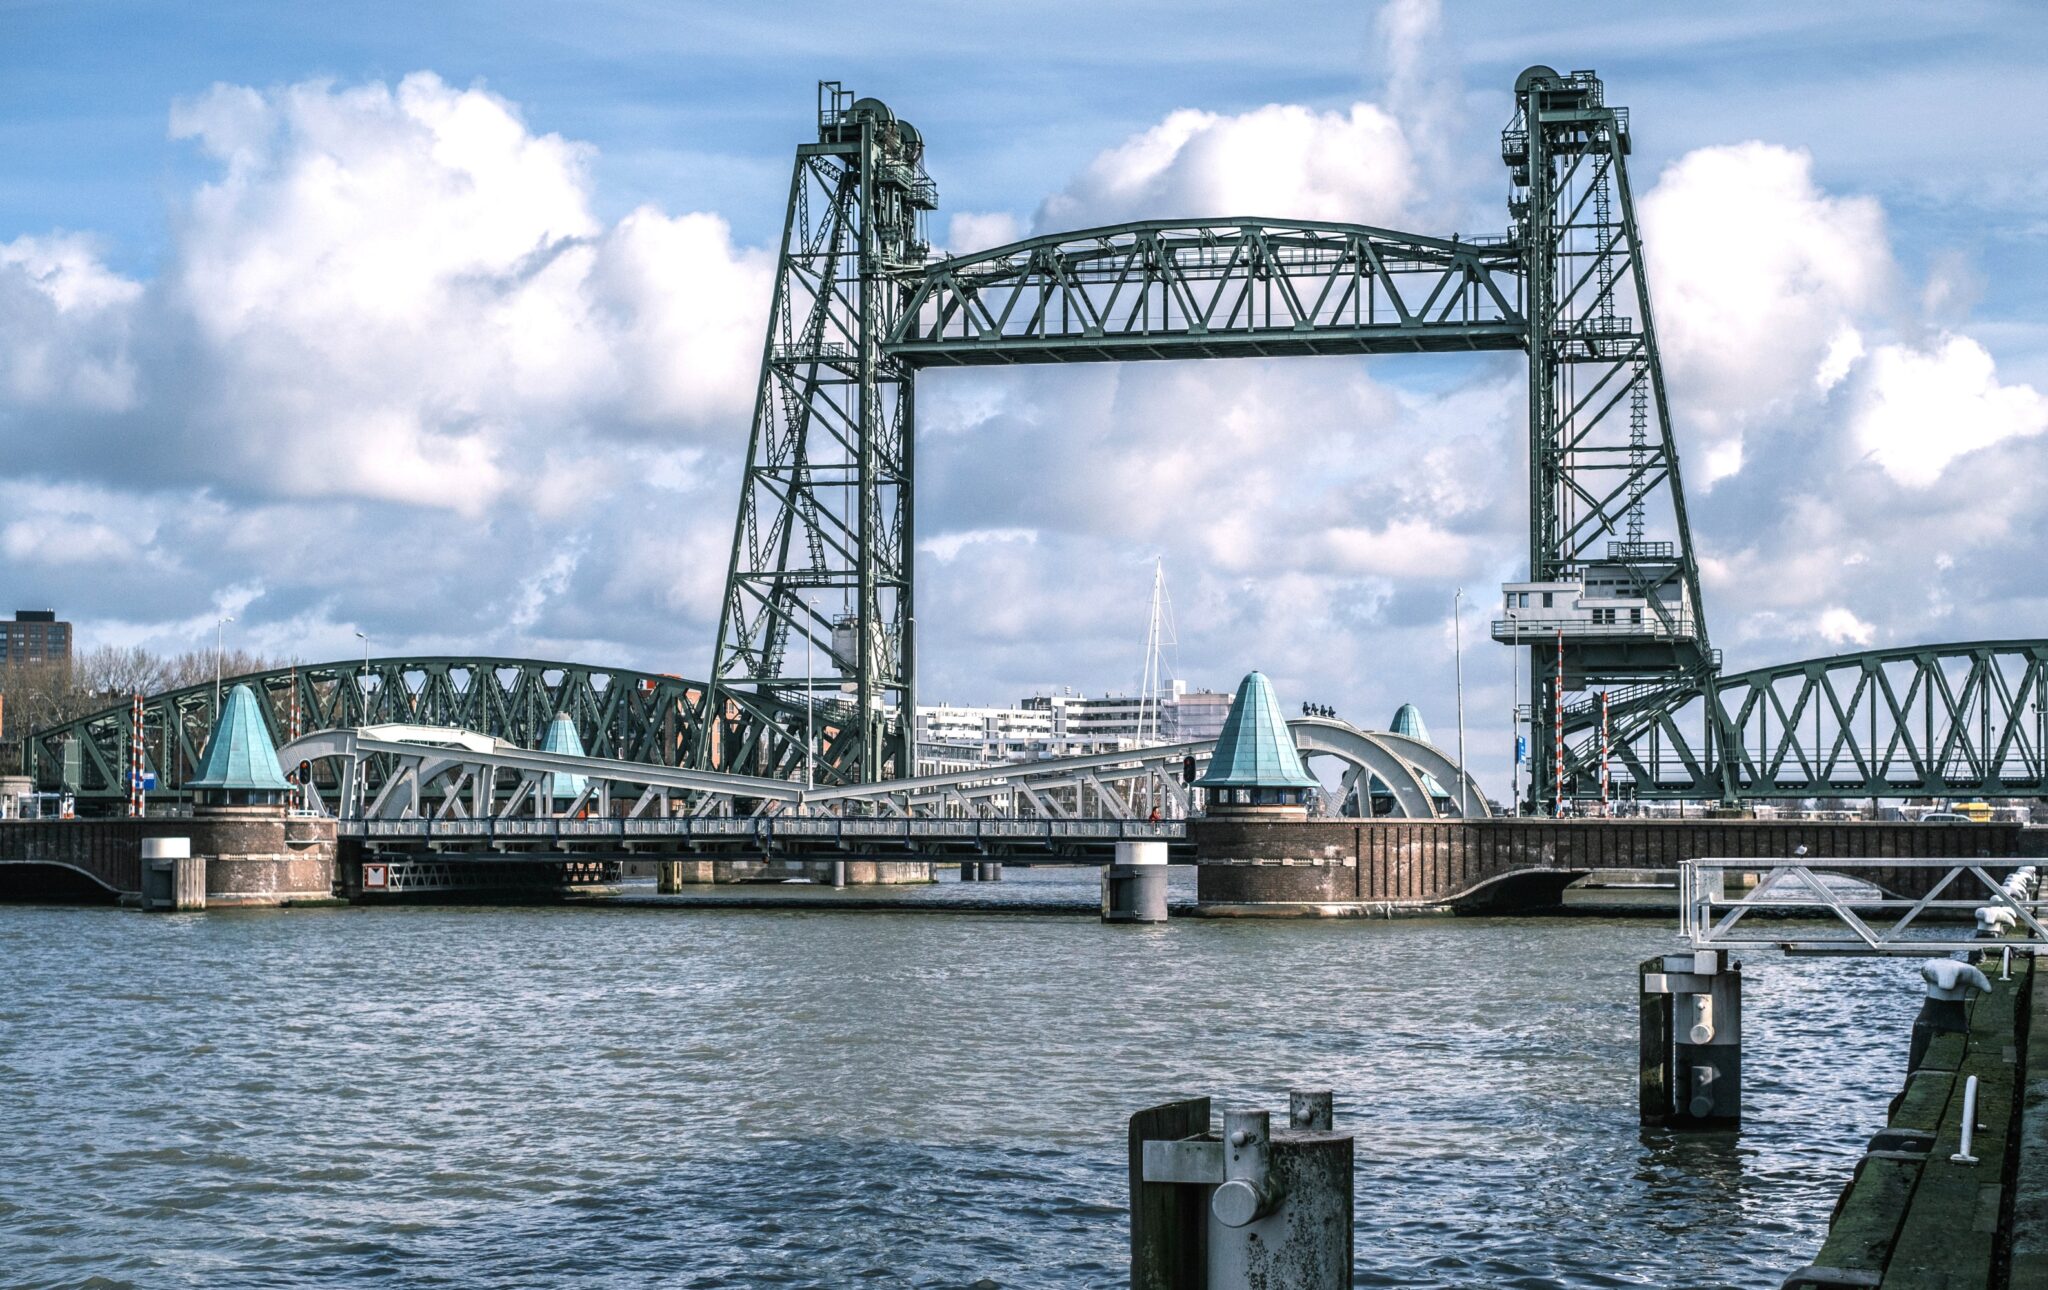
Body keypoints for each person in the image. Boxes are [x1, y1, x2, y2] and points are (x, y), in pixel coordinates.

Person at [1910, 955, 1992, 1072]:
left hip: (1928, 1020)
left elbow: (1946, 984)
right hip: (1957, 1022)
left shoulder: (1934, 968)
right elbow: (1988, 989)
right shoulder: (1968, 972)